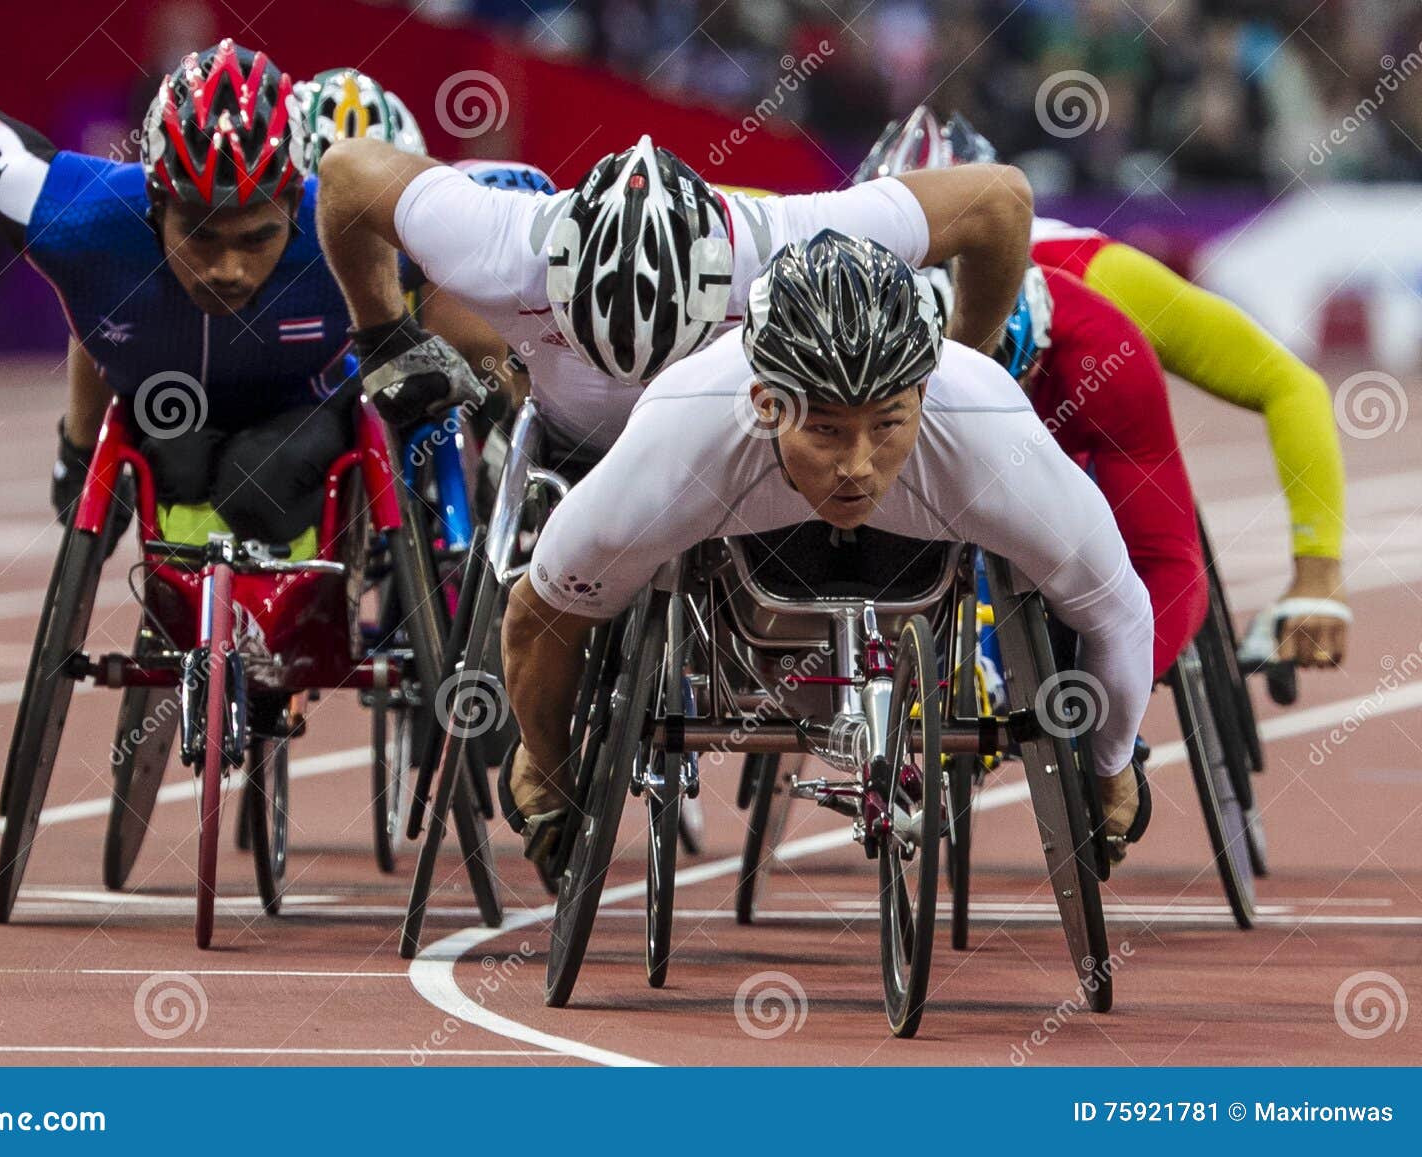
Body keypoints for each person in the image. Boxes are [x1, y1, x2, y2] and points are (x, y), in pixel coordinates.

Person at [497, 233, 1154, 880]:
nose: (858, 466)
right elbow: (538, 616)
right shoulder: (683, 431)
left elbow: (1117, 612)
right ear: (765, 403)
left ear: (924, 396)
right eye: (827, 429)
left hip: (920, 527)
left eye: (887, 424)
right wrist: (546, 762)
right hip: (753, 528)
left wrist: (1109, 767)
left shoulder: (989, 431)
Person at [0, 42, 480, 549]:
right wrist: (77, 451)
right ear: (155, 207)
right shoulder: (82, 221)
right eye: (200, 234)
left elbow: (495, 219)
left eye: (258, 237)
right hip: (166, 414)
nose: (227, 269)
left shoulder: (347, 226)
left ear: (294, 207)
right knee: (180, 462)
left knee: (258, 484)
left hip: (299, 413)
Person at [313, 131, 1036, 456]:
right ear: (556, 272)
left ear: (724, 277)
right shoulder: (509, 240)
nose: (631, 373)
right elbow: (344, 170)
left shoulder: (786, 241)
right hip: (566, 451)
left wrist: (956, 361)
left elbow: (1001, 201)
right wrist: (384, 335)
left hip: (726, 448)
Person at [938, 109, 1352, 670]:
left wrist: (1317, 577)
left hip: (1075, 427)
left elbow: (1291, 386)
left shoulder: (1104, 279)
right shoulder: (843, 275)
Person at [987, 263, 1207, 681]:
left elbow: (1170, 564)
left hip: (1081, 391)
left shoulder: (1106, 359)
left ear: (1038, 362)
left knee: (1086, 535)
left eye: (1018, 388)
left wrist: (1113, 695)